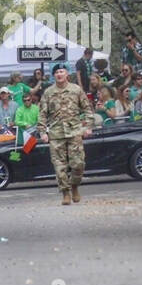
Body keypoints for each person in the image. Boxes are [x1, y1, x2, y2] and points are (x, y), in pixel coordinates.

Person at [38, 65, 93, 205]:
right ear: (53, 75)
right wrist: (42, 132)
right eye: (56, 72)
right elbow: (42, 114)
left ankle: (74, 186)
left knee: (78, 164)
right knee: (59, 166)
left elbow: (87, 108)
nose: (59, 74)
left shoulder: (76, 89)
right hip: (56, 133)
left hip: (74, 131)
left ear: (67, 74)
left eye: (61, 71)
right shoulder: (48, 92)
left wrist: (88, 126)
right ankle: (65, 192)